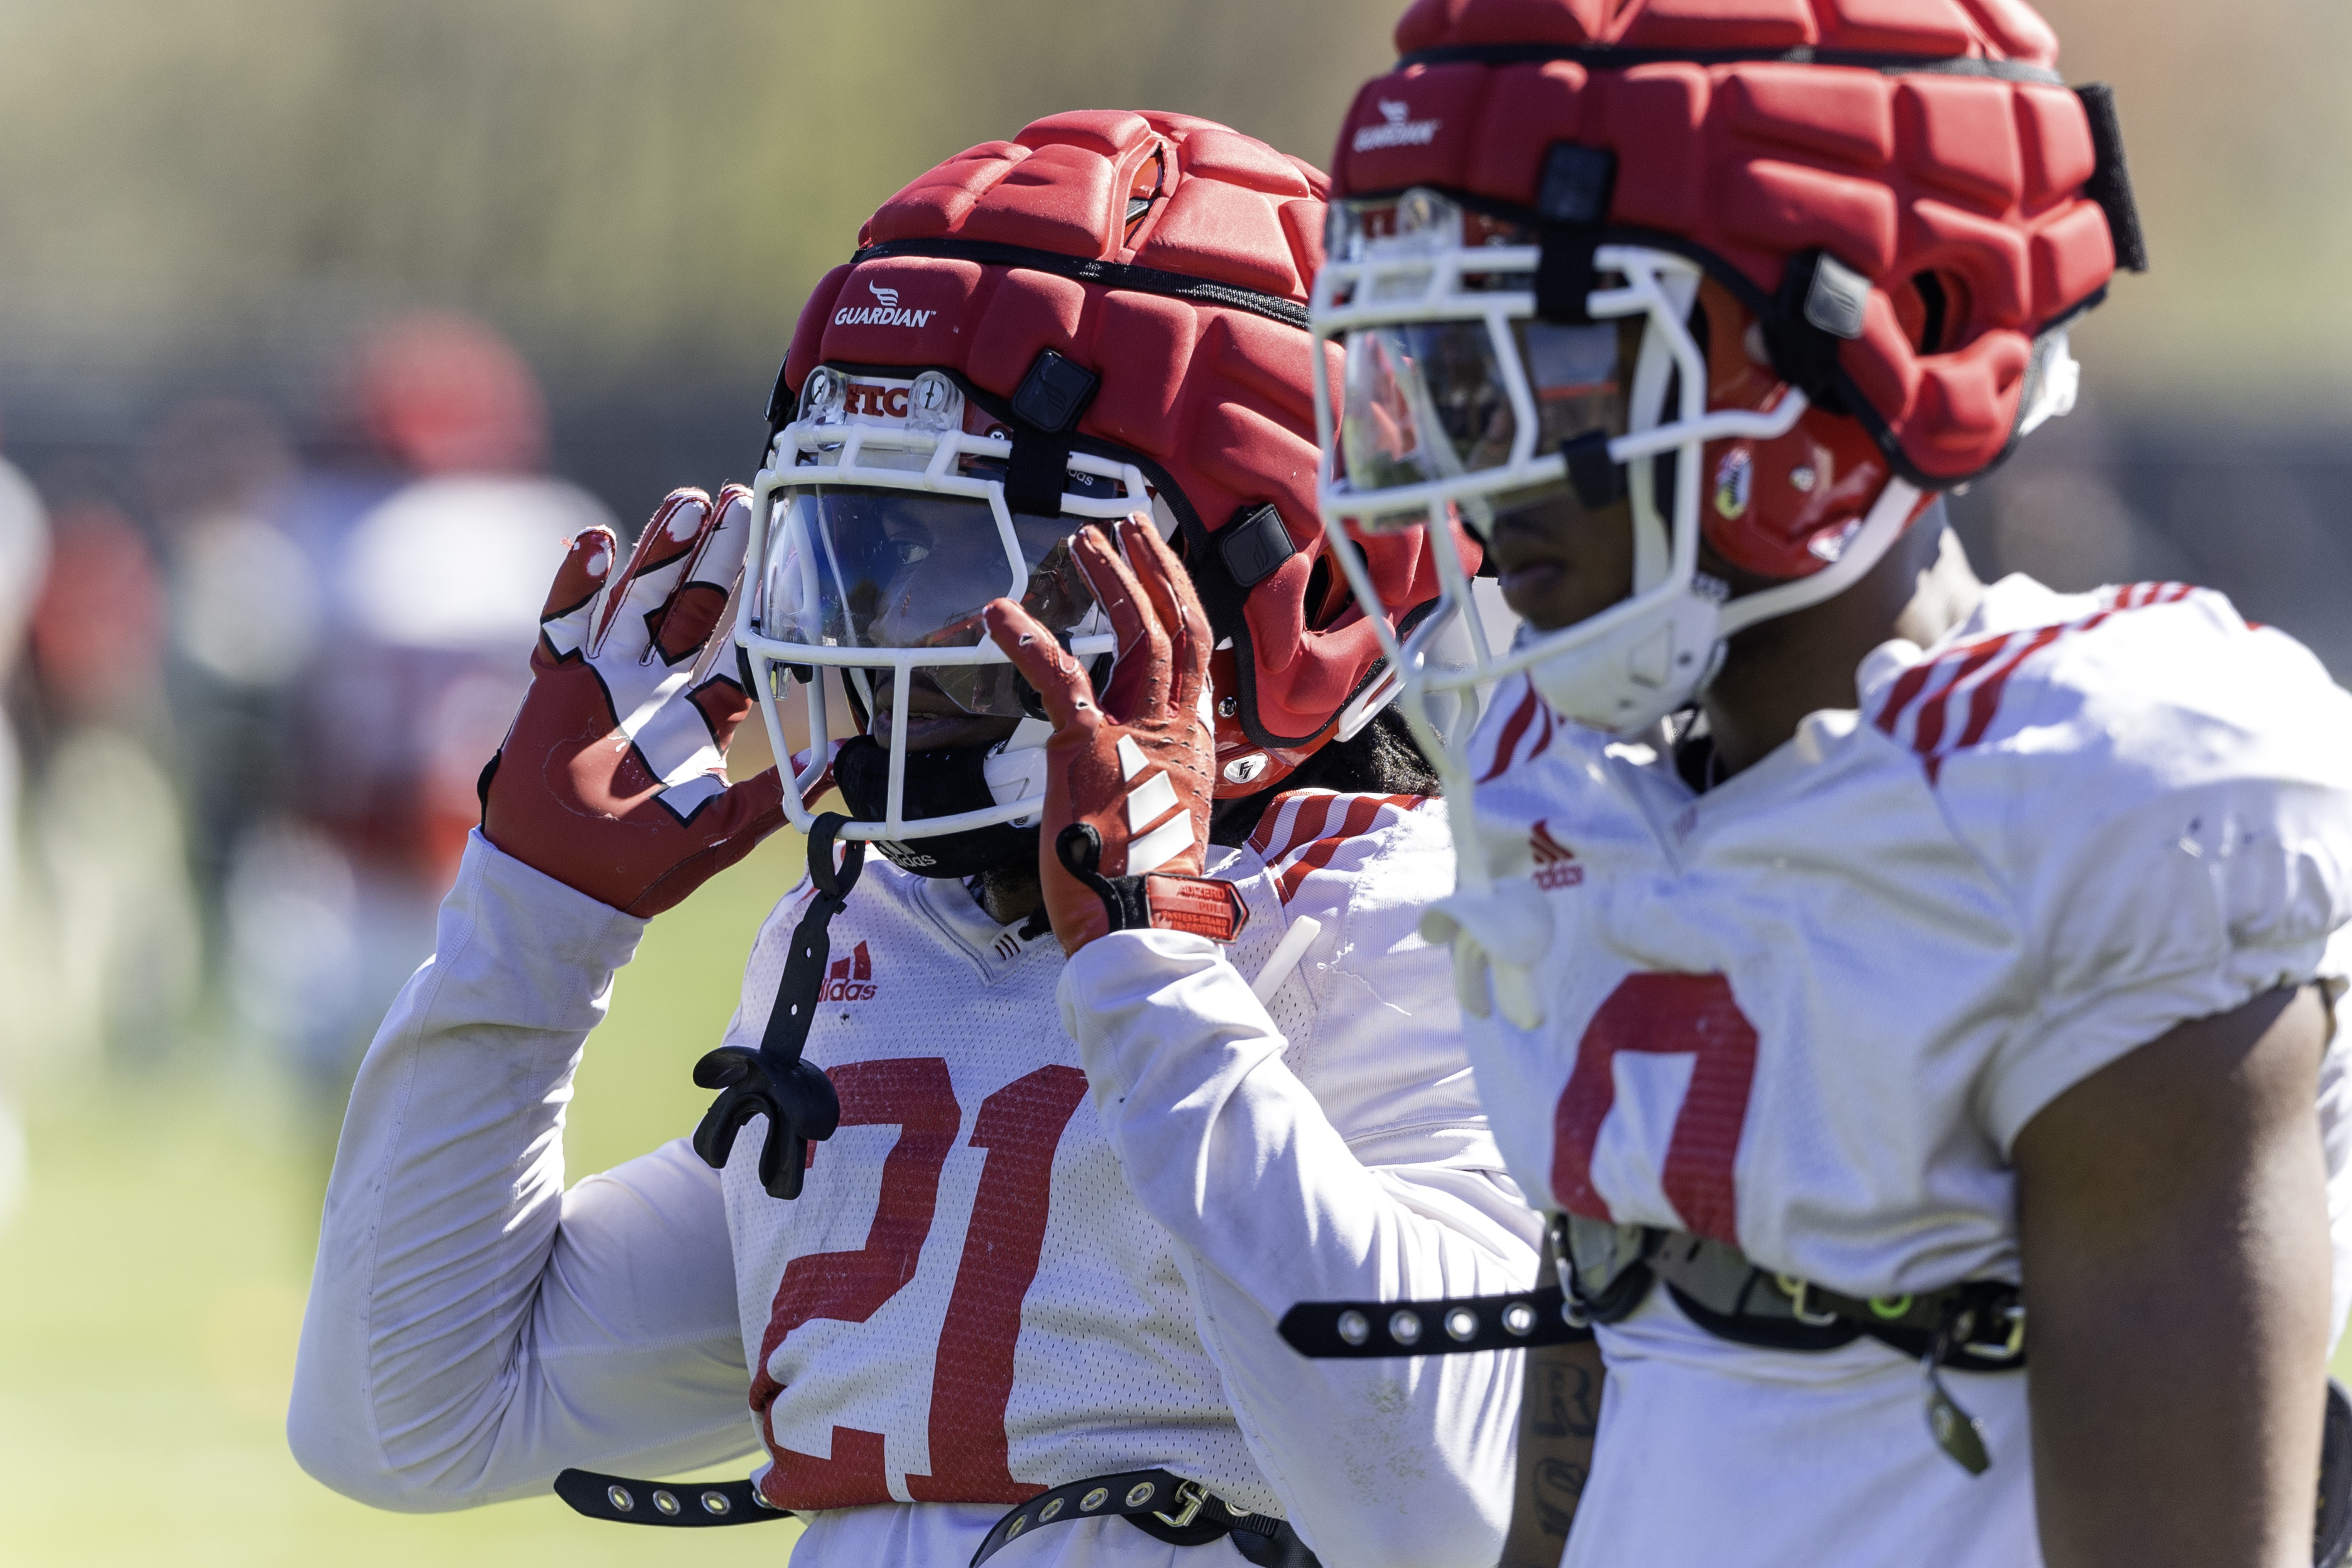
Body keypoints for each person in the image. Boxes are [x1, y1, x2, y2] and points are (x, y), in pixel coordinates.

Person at [290, 109, 1539, 1568]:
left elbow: (1449, 1509)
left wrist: (1159, 980)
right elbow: (409, 1421)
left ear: (1295, 587)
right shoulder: (904, 944)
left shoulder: (1429, 934)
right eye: (860, 549)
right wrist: (532, 924)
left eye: (983, 571)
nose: (882, 643)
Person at [1299, 3, 2352, 1565]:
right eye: (1445, 369)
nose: (1474, 458)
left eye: (1547, 358)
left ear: (1877, 334)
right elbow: (1604, 1401)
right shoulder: (1566, 788)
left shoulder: (2101, 799)